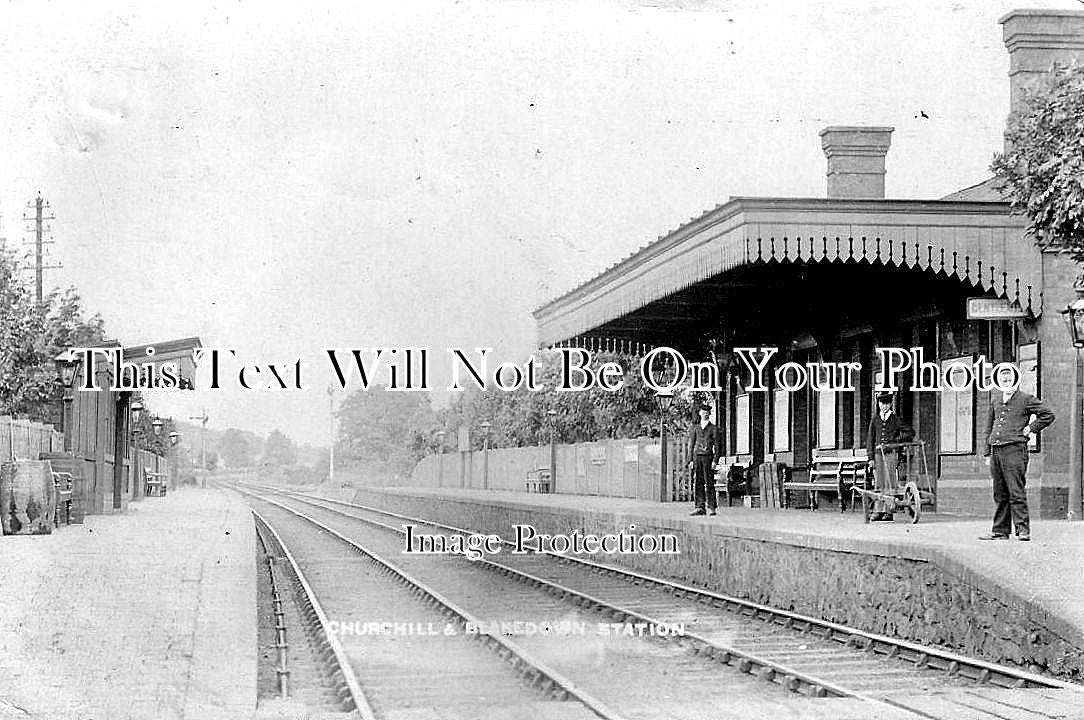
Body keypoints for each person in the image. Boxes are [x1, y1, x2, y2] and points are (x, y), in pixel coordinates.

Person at [980, 364, 1054, 542]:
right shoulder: (995, 400)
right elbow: (989, 427)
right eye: (1003, 379)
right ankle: (1000, 531)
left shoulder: (1026, 399)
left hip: (1015, 450)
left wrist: (1031, 428)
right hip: (996, 450)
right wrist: (987, 454)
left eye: (1010, 379)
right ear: (999, 381)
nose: (1007, 382)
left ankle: (1023, 530)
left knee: (1016, 491)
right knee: (999, 492)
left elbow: (1048, 414)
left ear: (1016, 380)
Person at [865, 391, 913, 521]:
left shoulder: (895, 419)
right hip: (878, 455)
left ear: (891, 404)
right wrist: (870, 458)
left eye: (886, 404)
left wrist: (895, 442)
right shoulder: (875, 419)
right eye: (882, 403)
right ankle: (877, 510)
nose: (884, 406)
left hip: (891, 454)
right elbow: (870, 439)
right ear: (878, 404)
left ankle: (888, 511)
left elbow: (910, 432)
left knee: (890, 482)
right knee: (879, 481)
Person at [687, 402, 720, 516]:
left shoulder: (713, 428)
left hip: (708, 458)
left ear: (709, 414)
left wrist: (715, 461)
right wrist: (690, 460)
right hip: (697, 458)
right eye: (703, 412)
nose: (705, 414)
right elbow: (691, 444)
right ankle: (699, 507)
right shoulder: (695, 428)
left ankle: (711, 507)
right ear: (700, 413)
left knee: (709, 482)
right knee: (698, 482)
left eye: (707, 412)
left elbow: (718, 446)